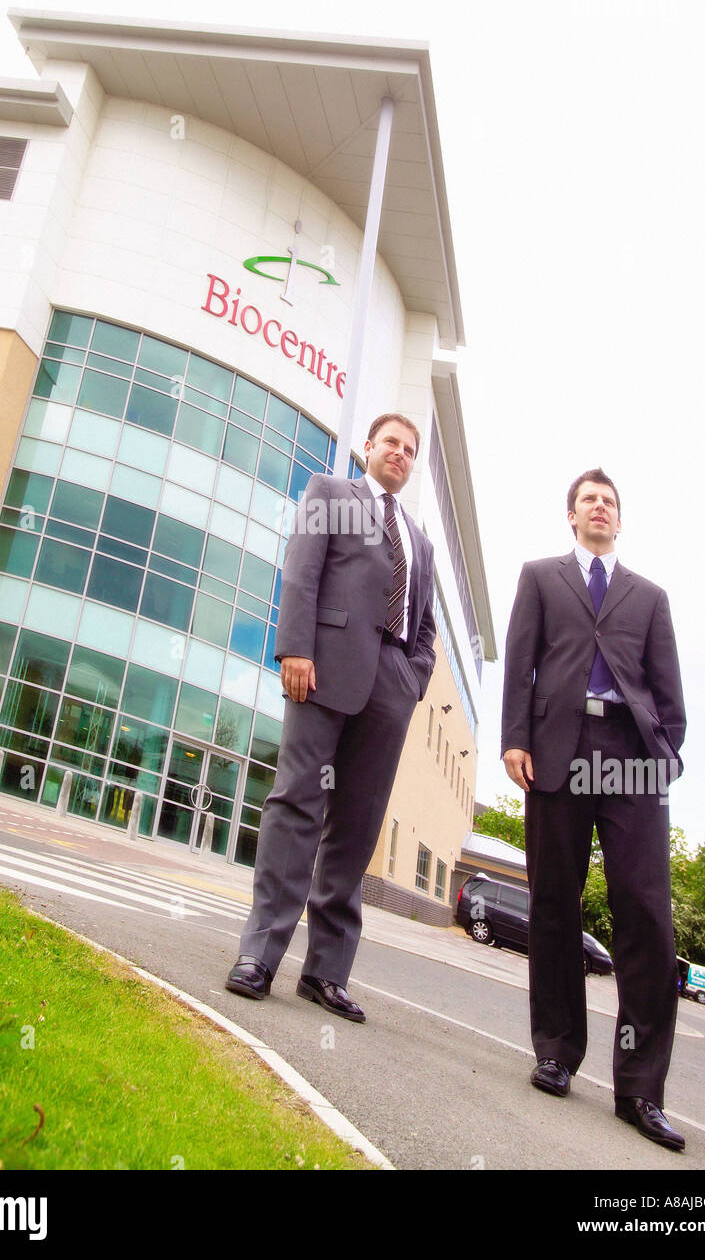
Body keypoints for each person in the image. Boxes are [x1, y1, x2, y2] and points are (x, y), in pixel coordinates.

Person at [225, 413, 436, 1022]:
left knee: (357, 828)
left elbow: (424, 627)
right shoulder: (330, 494)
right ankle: (260, 955)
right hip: (321, 673)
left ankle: (326, 973)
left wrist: (414, 679)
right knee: (297, 806)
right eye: (391, 442)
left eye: (410, 449)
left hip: (390, 691)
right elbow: (302, 571)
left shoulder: (420, 541)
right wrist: (294, 647)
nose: (400, 453)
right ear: (367, 448)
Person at [501, 469, 687, 1150]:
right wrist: (514, 739)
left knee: (647, 914)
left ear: (619, 517)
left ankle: (640, 1090)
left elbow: (669, 693)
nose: (600, 507)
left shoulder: (651, 597)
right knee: (554, 901)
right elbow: (521, 661)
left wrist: (663, 754)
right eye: (589, 500)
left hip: (632, 754)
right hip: (556, 744)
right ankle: (555, 1051)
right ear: (571, 515)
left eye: (609, 501)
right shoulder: (541, 578)